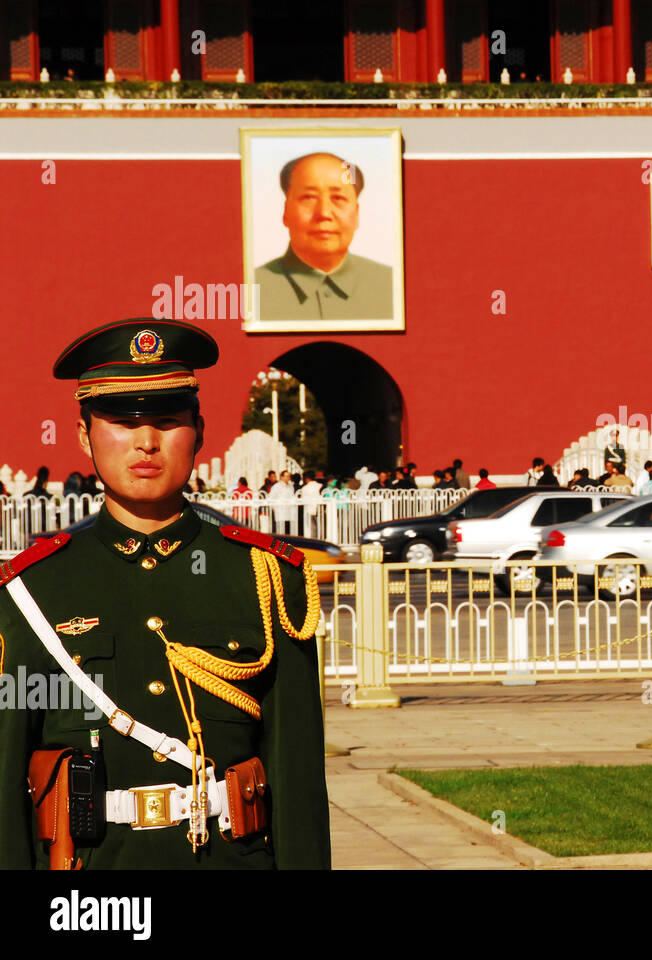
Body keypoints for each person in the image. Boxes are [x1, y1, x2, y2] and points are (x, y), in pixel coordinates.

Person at [0, 318, 328, 868]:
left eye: (167, 421)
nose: (145, 442)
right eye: (122, 423)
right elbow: (7, 776)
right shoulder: (34, 588)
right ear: (84, 436)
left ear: (199, 432)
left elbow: (296, 781)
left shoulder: (266, 577)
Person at [253, 153, 394, 322]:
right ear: (285, 212)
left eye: (338, 198)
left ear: (356, 214)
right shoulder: (250, 290)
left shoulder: (392, 286)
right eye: (309, 198)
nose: (324, 213)